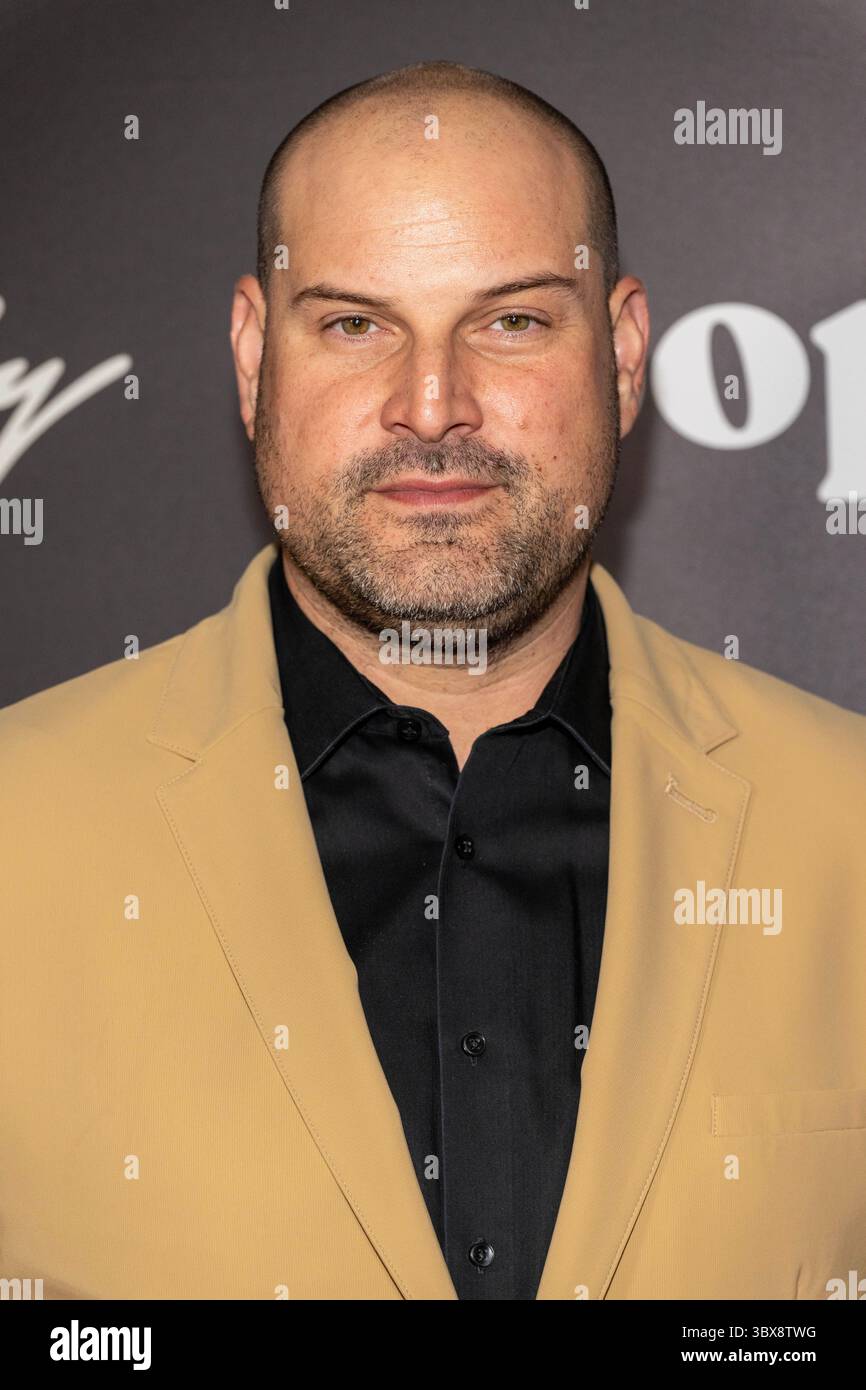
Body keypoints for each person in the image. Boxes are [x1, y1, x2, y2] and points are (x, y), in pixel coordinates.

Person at [2, 61, 865, 1302]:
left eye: (511, 320)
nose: (430, 406)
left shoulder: (838, 823)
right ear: (254, 355)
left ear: (622, 353)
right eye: (354, 324)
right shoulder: (14, 832)